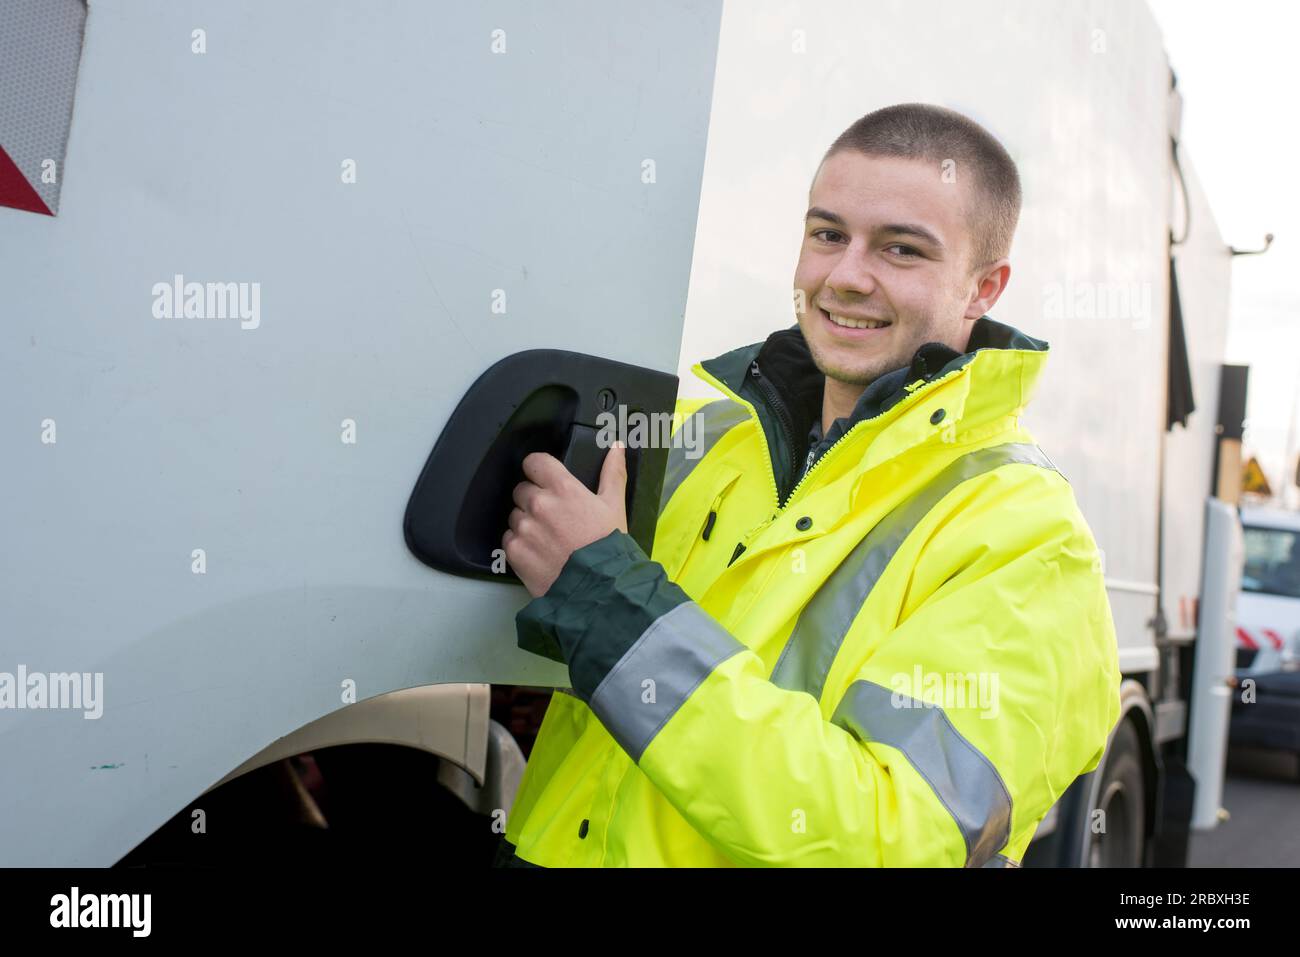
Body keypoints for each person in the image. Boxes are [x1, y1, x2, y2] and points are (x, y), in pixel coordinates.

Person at [495, 103, 1122, 867]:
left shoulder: (1031, 536)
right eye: (828, 234)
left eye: (900, 249)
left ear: (984, 288)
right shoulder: (706, 437)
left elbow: (894, 838)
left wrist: (605, 602)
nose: (845, 276)